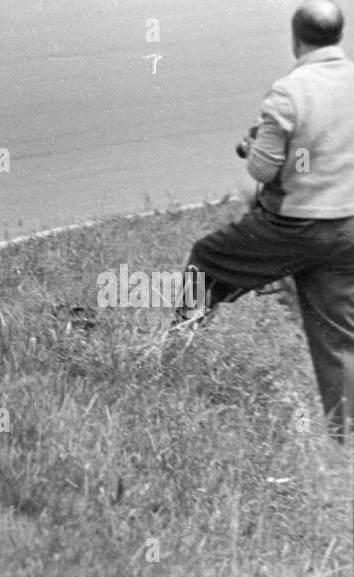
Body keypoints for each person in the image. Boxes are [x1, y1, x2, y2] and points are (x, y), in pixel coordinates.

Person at [177, 0, 354, 443]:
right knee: (337, 336)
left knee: (207, 258)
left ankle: (174, 350)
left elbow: (261, 171)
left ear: (295, 38)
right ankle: (346, 438)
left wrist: (251, 144)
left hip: (298, 225)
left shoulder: (289, 92)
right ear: (339, 35)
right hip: (349, 224)